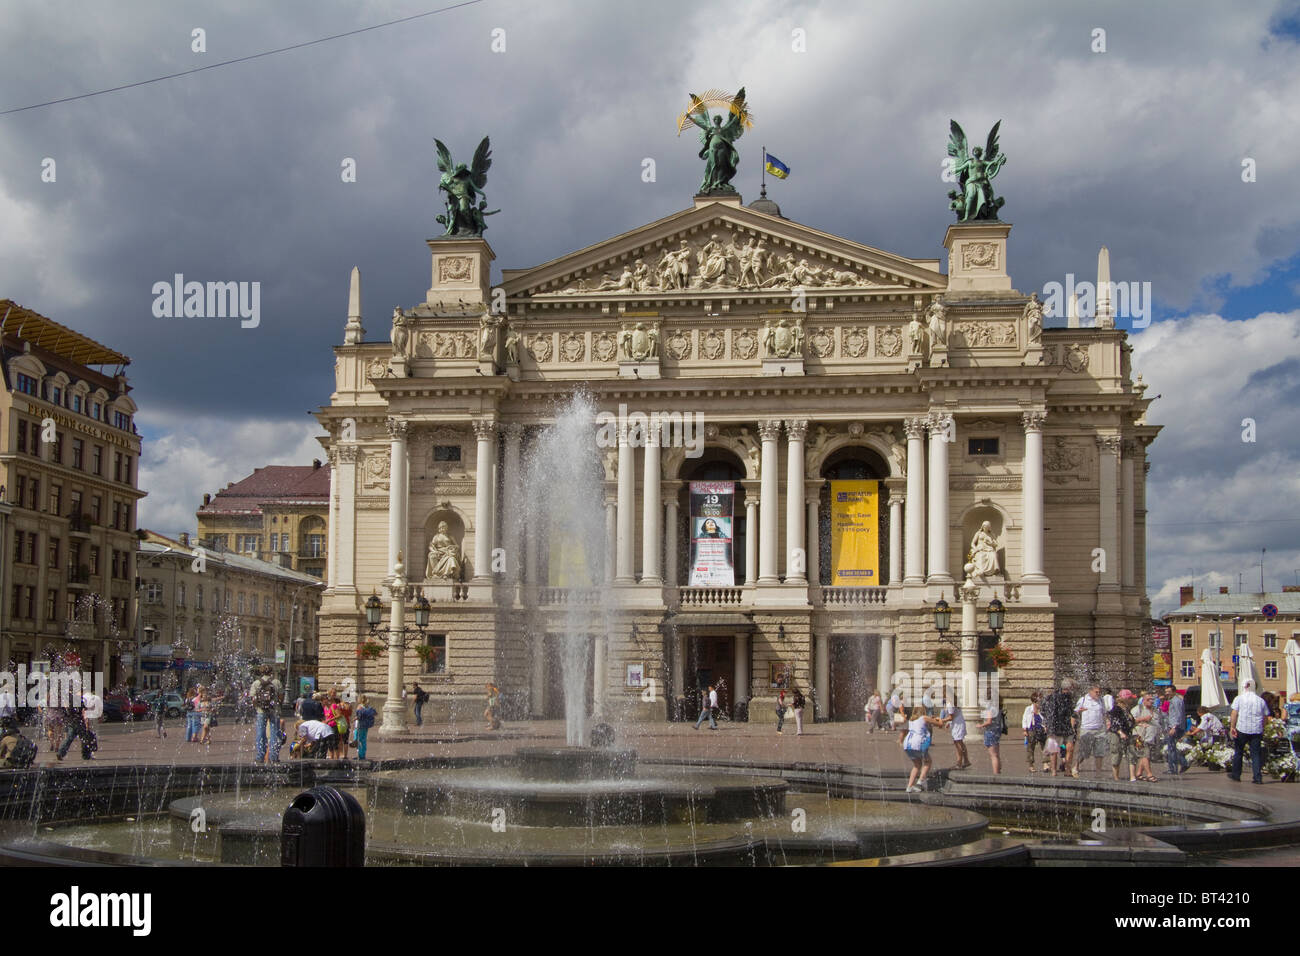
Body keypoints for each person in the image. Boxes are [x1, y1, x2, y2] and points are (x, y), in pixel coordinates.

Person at [1228, 679, 1270, 784]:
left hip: (1242, 728)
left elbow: (1234, 714)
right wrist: (1263, 727)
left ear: (1244, 687)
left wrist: (1232, 727)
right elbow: (1265, 716)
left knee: (1239, 752)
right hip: (1256, 730)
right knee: (1255, 754)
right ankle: (1257, 777)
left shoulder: (1239, 698)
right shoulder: (1260, 701)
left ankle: (1236, 775)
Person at [900, 705, 947, 793]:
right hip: (917, 743)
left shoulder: (911, 720)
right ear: (923, 711)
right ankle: (919, 783)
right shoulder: (924, 717)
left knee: (917, 765)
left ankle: (909, 787)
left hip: (907, 744)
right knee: (928, 762)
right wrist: (939, 719)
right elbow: (940, 724)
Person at [1072, 684, 1108, 777]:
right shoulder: (1083, 700)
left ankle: (1098, 772)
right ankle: (1076, 766)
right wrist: (1073, 727)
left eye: (1099, 692)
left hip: (1100, 729)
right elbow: (1074, 713)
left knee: (1099, 752)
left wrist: (1107, 723)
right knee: (1084, 752)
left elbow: (1104, 713)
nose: (1098, 693)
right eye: (1096, 692)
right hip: (1086, 729)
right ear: (1090, 691)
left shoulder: (1101, 700)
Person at [249, 667, 283, 764]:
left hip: (261, 711)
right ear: (271, 672)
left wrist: (258, 707)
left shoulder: (256, 683)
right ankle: (274, 757)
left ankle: (260, 756)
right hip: (274, 710)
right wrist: (277, 704)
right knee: (275, 732)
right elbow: (281, 696)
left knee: (260, 732)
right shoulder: (276, 682)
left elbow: (253, 698)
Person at [1043, 680, 1076, 776]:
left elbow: (1070, 711)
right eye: (1071, 688)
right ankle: (1053, 771)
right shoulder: (1054, 697)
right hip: (1055, 726)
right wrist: (1048, 725)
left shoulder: (1069, 697)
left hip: (1066, 726)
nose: (1072, 690)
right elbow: (1048, 711)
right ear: (1066, 688)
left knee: (1070, 747)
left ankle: (1067, 770)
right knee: (1054, 750)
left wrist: (1075, 714)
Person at [1108, 690, 1138, 782]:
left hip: (1128, 734)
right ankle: (1116, 777)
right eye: (1130, 698)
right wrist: (1121, 733)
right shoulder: (1116, 709)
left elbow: (1130, 722)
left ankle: (1133, 777)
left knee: (1132, 754)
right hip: (1117, 735)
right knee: (1117, 754)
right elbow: (1114, 723)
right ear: (1125, 699)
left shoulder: (1127, 709)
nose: (1132, 700)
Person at [1130, 691, 1161, 782]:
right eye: (1148, 699)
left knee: (1145, 755)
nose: (1151, 701)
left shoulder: (1155, 710)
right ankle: (1149, 774)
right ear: (1143, 700)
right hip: (1140, 736)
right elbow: (1131, 721)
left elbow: (1157, 722)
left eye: (1152, 699)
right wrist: (1143, 719)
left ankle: (1139, 773)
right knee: (1145, 755)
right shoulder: (1137, 709)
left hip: (1151, 737)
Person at [1164, 686, 1188, 775]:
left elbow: (1178, 715)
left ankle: (1176, 767)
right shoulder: (1174, 700)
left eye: (1168, 691)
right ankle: (1179, 765)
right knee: (1172, 747)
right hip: (1175, 726)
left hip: (1174, 727)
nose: (1167, 693)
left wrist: (1174, 727)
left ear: (1174, 692)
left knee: (1171, 748)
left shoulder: (1176, 701)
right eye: (1166, 691)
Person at [1022, 692, 1047, 773]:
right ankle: (1031, 765)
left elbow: (1046, 719)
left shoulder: (1043, 709)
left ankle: (1045, 764)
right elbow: (1024, 719)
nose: (1040, 703)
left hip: (1041, 730)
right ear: (1034, 702)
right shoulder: (1028, 709)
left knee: (1044, 747)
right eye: (1038, 702)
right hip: (1032, 730)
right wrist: (1025, 730)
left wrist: (1046, 727)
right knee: (1030, 748)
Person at [941, 698, 970, 770]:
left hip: (957, 725)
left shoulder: (950, 703)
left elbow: (951, 717)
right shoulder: (954, 701)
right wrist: (949, 723)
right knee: (960, 743)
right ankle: (966, 761)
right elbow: (954, 714)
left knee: (958, 744)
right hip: (959, 723)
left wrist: (942, 720)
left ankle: (959, 763)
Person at [978, 701, 1002, 774]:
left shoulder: (990, 709)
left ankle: (996, 774)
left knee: (993, 755)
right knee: (996, 754)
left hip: (991, 732)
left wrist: (980, 725)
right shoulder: (997, 708)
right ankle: (999, 771)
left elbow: (989, 721)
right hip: (997, 732)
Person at [354, 695, 377, 761]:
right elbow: (375, 714)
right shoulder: (368, 707)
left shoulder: (359, 707)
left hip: (359, 725)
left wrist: (354, 719)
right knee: (363, 740)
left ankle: (360, 755)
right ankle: (363, 755)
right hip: (366, 725)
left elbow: (358, 716)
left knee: (357, 739)